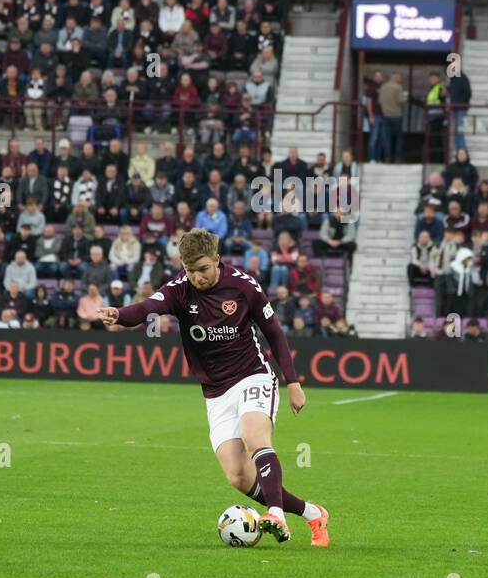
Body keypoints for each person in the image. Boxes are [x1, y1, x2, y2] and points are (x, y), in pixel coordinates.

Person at [97, 228, 329, 545]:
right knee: (238, 476)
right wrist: (119, 314)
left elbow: (274, 331)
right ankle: (314, 514)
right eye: (190, 270)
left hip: (253, 374)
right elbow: (147, 307)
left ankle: (275, 514)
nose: (197, 277)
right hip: (215, 392)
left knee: (254, 436)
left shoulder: (243, 287)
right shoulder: (180, 289)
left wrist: (294, 382)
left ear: (217, 260)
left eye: (203, 269)